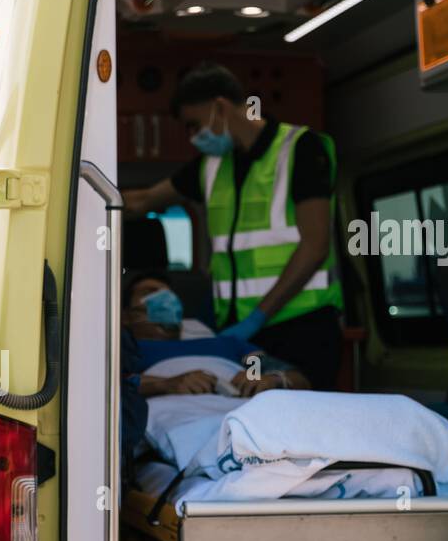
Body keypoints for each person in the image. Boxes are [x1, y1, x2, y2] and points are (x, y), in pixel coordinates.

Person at [123, 62, 344, 389]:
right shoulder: (211, 166)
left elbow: (315, 246)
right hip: (248, 337)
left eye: (194, 125)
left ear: (220, 107)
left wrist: (258, 317)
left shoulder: (299, 149)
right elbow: (143, 201)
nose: (193, 137)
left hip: (302, 328)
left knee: (299, 429)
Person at [121, 270, 309, 398]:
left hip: (242, 404)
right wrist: (165, 385)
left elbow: (292, 377)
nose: (166, 299)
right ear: (125, 316)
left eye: (170, 294)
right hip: (179, 410)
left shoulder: (227, 343)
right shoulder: (126, 348)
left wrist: (263, 379)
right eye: (150, 292)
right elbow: (111, 388)